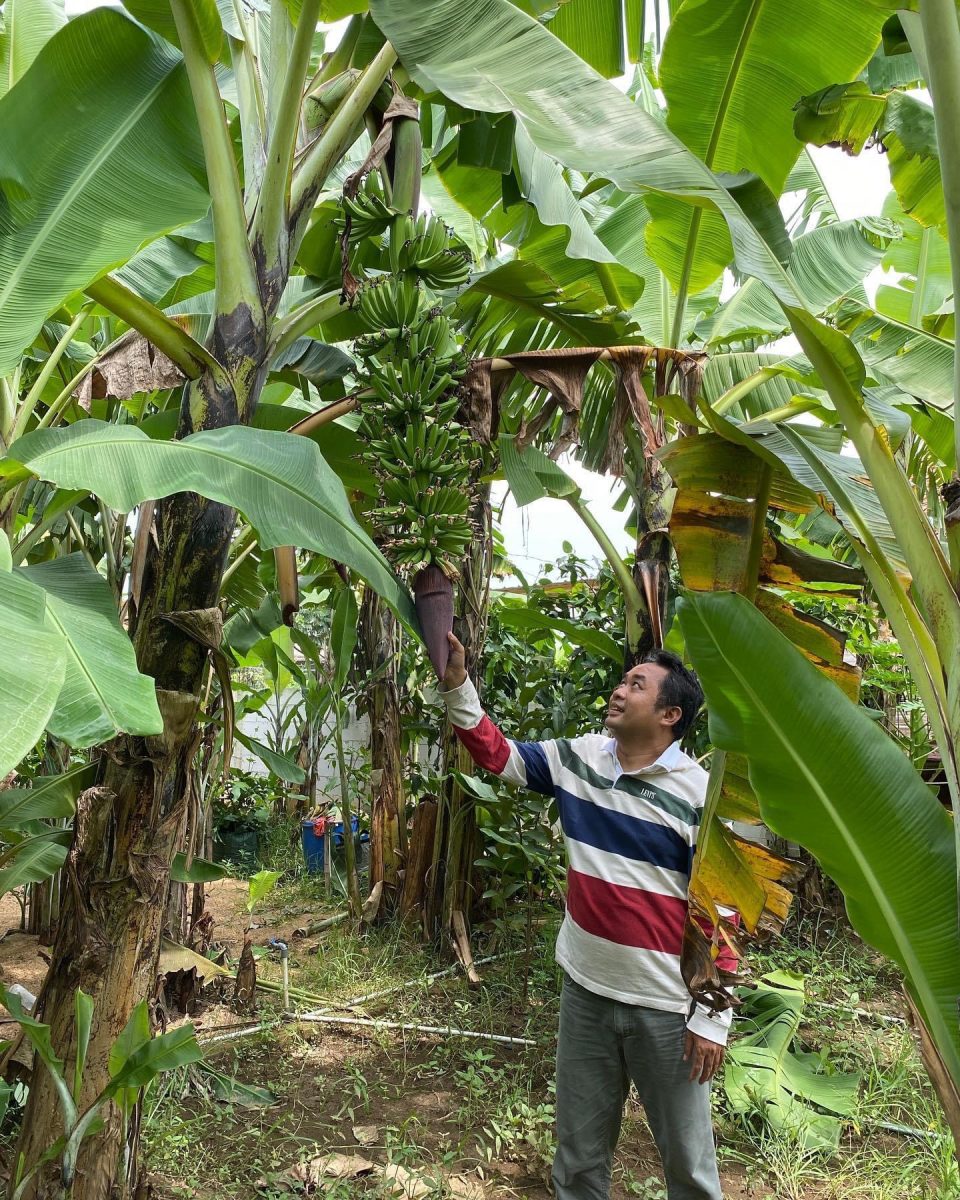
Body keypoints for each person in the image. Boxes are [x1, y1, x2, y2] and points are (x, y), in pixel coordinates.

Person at [438, 632, 734, 1200]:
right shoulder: (580, 758)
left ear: (670, 714)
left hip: (667, 1010)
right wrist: (458, 685)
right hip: (587, 994)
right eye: (623, 680)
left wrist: (712, 1018)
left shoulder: (700, 796)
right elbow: (498, 754)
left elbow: (726, 912)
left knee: (690, 1170)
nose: (619, 691)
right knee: (576, 1162)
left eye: (636, 685)